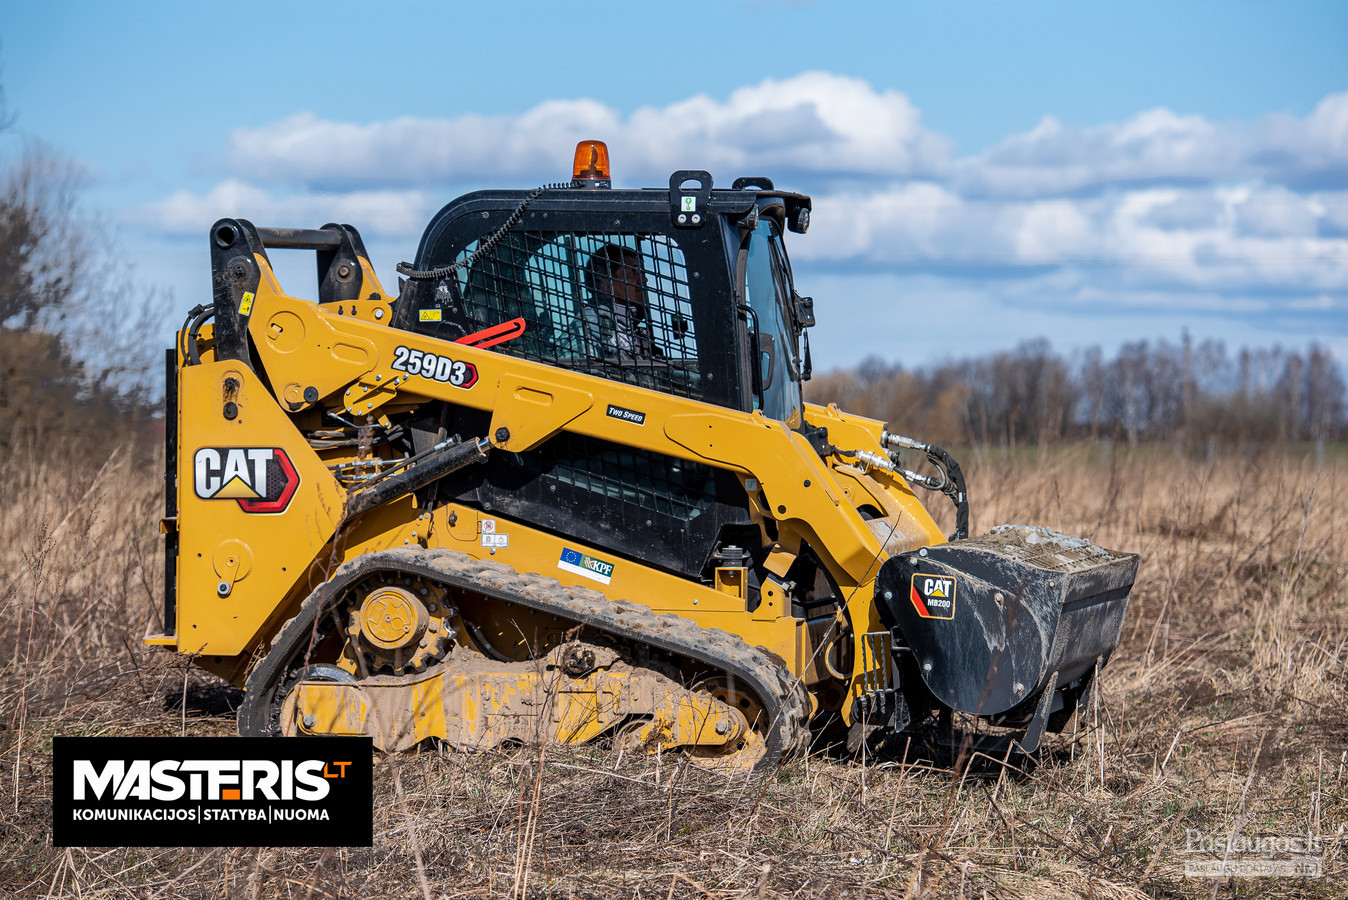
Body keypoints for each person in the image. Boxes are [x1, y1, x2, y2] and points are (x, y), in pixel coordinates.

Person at [583, 244, 661, 359]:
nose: (644, 279)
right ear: (607, 286)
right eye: (632, 272)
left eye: (641, 271)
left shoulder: (636, 334)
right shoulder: (587, 331)